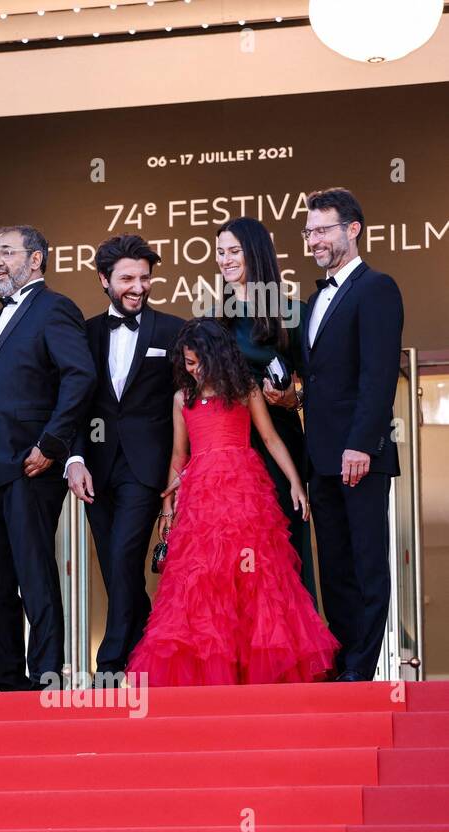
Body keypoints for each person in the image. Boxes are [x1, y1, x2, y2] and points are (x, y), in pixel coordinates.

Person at [127, 319, 339, 686]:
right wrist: (168, 509)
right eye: (187, 363)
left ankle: (255, 673)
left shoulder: (245, 390)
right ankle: (214, 671)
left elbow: (271, 438)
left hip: (245, 492)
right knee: (202, 583)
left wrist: (294, 482)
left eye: (197, 362)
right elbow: (179, 456)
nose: (191, 370)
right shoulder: (183, 399)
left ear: (215, 356)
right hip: (199, 500)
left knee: (257, 578)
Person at [0, 225, 95, 691]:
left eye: (7, 251)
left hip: (29, 464)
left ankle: (46, 676)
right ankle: (5, 678)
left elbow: (79, 377)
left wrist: (52, 444)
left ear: (36, 259)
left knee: (34, 574)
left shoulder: (55, 308)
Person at [65, 235, 185, 686]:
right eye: (128, 279)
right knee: (111, 560)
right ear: (104, 280)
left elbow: (186, 401)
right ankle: (144, 637)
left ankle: (112, 661)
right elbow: (73, 402)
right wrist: (74, 458)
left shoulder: (173, 330)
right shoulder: (85, 333)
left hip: (145, 466)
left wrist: (180, 469)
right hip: (95, 465)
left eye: (144, 278)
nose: (138, 287)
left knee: (124, 552)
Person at [299, 188, 404, 681]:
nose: (313, 239)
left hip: (360, 454)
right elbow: (317, 377)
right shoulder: (314, 298)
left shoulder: (377, 288)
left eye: (322, 229)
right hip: (319, 457)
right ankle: (344, 663)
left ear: (352, 229)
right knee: (335, 565)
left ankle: (363, 667)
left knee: (365, 563)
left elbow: (379, 376)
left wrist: (361, 443)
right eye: (309, 231)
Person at [212, 218, 316, 601]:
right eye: (220, 252)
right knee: (237, 547)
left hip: (279, 442)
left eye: (234, 251)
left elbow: (313, 381)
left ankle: (294, 651)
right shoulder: (213, 317)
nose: (225, 260)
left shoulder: (293, 311)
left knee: (283, 543)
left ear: (255, 253)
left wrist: (294, 397)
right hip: (231, 447)